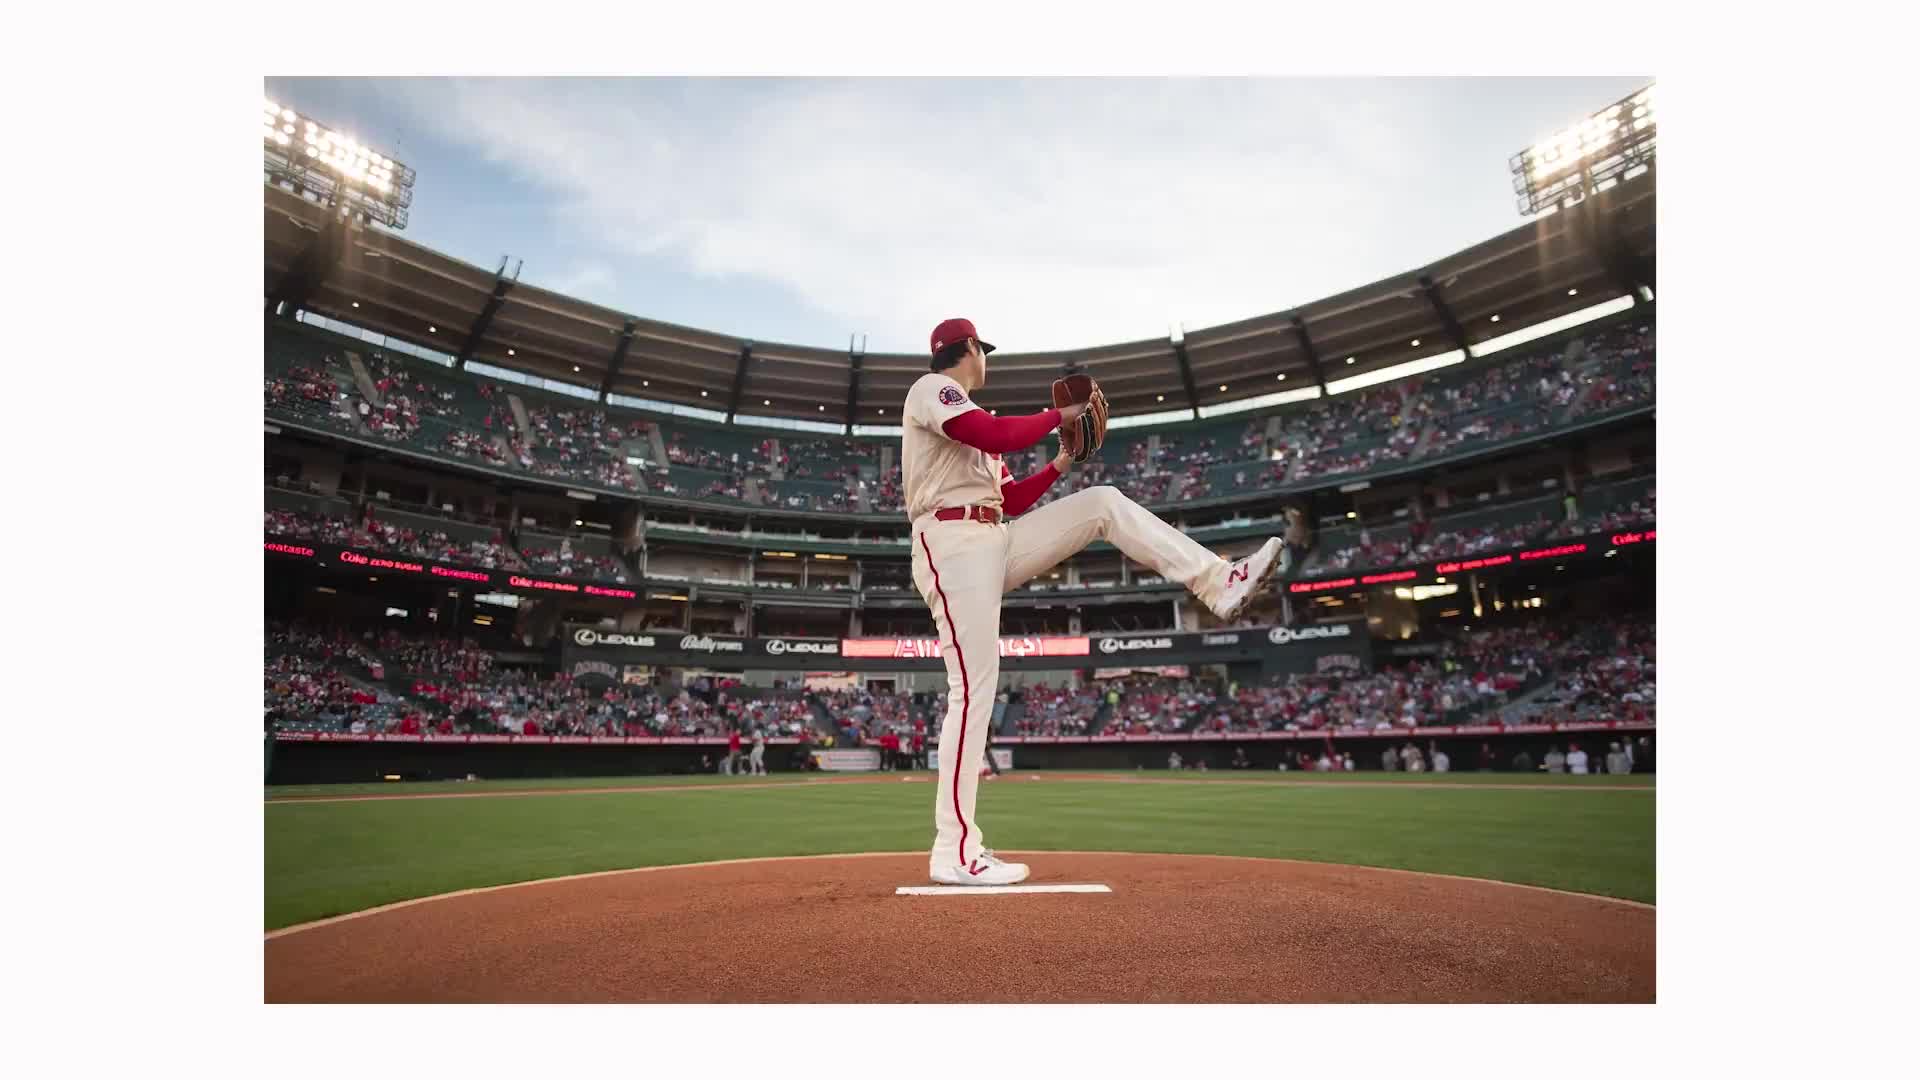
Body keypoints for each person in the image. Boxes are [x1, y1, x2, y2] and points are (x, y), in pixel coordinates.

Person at [904, 319, 1301, 887]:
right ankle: (955, 849)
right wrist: (1057, 419)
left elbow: (1012, 496)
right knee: (972, 688)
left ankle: (1218, 581)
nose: (985, 358)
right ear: (966, 349)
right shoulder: (933, 391)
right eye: (981, 350)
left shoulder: (976, 428)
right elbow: (995, 435)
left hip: (993, 538)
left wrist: (1063, 462)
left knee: (1103, 503)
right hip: (951, 541)